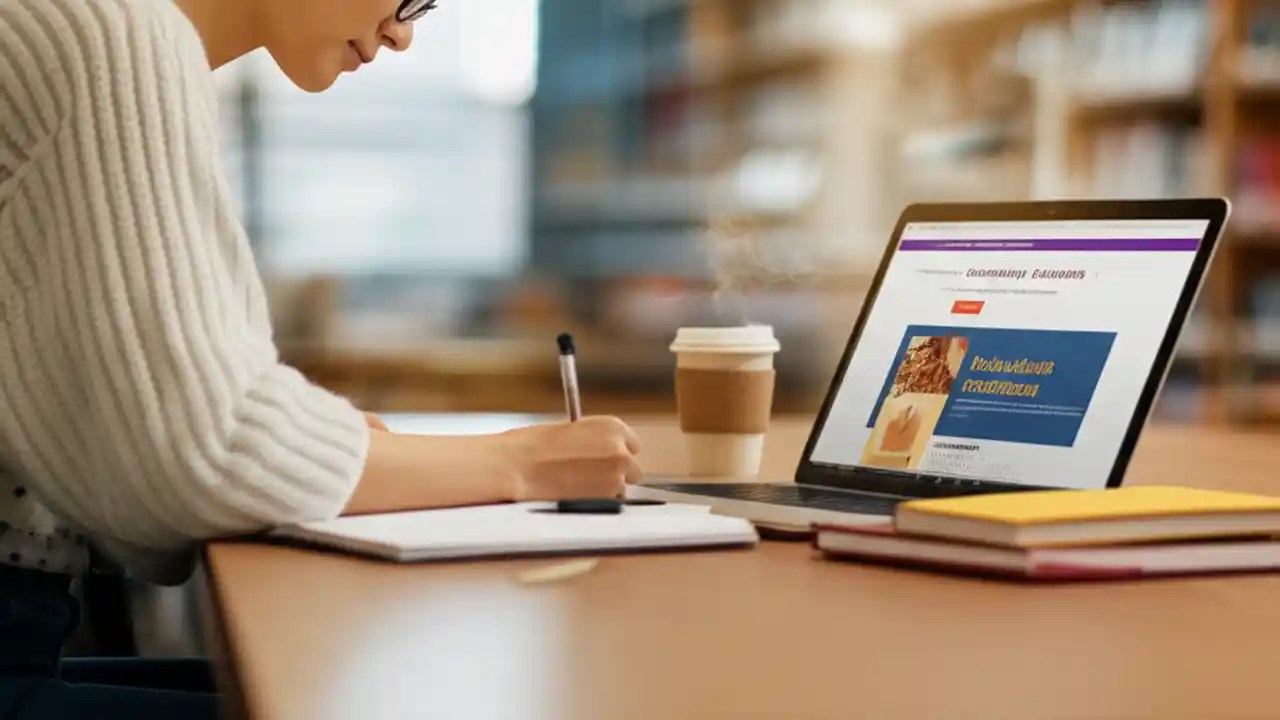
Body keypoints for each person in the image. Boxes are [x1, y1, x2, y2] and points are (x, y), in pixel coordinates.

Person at [0, 0, 642, 715]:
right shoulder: (111, 38)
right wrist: (520, 463)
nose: (402, 33)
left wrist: (318, 445)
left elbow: (131, 447)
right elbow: (206, 456)